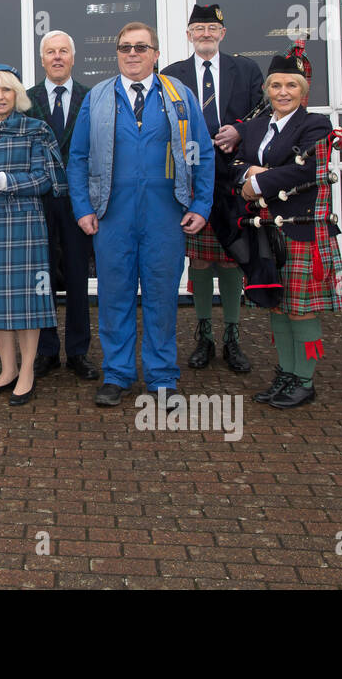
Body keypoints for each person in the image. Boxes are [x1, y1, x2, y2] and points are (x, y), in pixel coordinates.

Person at [67, 23, 214, 407]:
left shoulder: (179, 95)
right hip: (111, 214)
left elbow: (201, 150)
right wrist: (82, 207)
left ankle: (162, 377)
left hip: (165, 214)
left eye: (140, 47)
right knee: (114, 297)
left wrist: (200, 205)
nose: (132, 53)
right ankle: (117, 374)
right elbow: (78, 157)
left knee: (161, 298)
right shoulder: (98, 97)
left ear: (156, 53)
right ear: (117, 53)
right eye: (125, 47)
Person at [234, 50, 342, 408]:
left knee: (301, 309)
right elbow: (233, 163)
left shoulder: (315, 126)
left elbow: (306, 170)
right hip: (265, 230)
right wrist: (247, 173)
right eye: (276, 85)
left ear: (303, 91)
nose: (283, 92)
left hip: (302, 230)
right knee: (277, 305)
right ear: (267, 89)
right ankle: (285, 374)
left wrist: (258, 178)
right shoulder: (253, 127)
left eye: (291, 86)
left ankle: (304, 380)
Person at [163, 3, 264, 374]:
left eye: (212, 28)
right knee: (202, 258)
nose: (205, 33)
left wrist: (240, 130)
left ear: (223, 33)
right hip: (192, 179)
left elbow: (266, 114)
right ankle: (204, 335)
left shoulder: (247, 69)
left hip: (235, 176)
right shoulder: (172, 75)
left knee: (233, 255)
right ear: (189, 34)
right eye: (198, 28)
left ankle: (232, 337)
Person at [0, 64, 63, 406]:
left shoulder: (37, 130)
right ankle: (7, 370)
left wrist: (8, 181)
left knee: (28, 302)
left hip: (25, 224)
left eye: (6, 90)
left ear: (17, 95)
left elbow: (48, 179)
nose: (0, 96)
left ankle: (28, 371)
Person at [26, 30, 95, 380]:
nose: (57, 57)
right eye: (50, 52)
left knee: (80, 278)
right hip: (38, 202)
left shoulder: (92, 97)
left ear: (72, 57)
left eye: (63, 51)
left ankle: (79, 351)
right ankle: (46, 350)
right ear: (42, 60)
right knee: (42, 277)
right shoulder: (26, 100)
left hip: (78, 202)